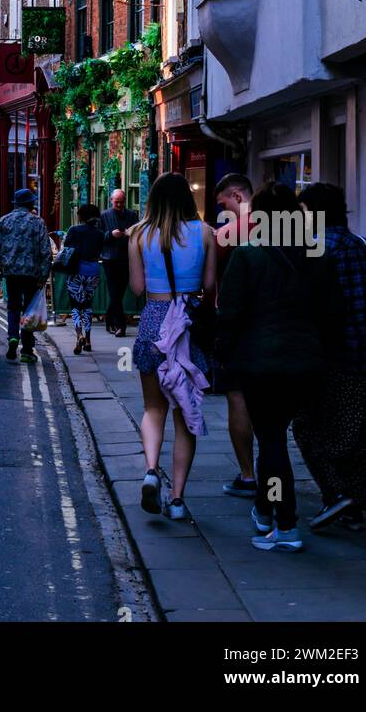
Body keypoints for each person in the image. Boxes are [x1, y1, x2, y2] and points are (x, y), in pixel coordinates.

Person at [215, 181, 340, 553]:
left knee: (271, 442)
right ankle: (264, 510)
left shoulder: (248, 255)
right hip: (307, 365)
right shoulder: (316, 254)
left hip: (261, 365)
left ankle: (284, 523)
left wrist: (223, 354)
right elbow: (333, 313)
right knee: (275, 439)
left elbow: (230, 314)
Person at [293, 183, 366, 534]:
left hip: (331, 356)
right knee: (362, 436)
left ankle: (336, 493)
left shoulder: (317, 248)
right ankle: (354, 507)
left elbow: (309, 305)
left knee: (308, 426)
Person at [129, 172, 217, 520]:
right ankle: (178, 499)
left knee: (154, 409)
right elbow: (209, 285)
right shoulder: (206, 233)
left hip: (154, 321)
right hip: (188, 327)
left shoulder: (138, 234)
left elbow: (137, 288)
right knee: (185, 415)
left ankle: (151, 470)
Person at [213, 172, 257, 501]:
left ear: (237, 197)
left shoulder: (229, 232)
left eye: (223, 203)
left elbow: (210, 278)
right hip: (282, 327)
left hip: (240, 328)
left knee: (238, 396)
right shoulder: (289, 230)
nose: (221, 210)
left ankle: (248, 474)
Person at [0, 188, 52, 365]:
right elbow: (46, 251)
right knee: (29, 311)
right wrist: (44, 275)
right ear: (30, 203)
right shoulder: (37, 222)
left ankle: (12, 338)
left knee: (13, 307)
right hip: (31, 273)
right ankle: (27, 349)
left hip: (11, 272)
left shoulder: (4, 221)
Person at [58, 204, 104, 354]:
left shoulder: (74, 230)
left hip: (76, 271)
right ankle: (89, 341)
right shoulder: (99, 233)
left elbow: (66, 248)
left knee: (76, 306)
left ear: (82, 216)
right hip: (93, 271)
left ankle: (79, 336)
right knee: (88, 305)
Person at [99, 188, 138, 336]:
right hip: (110, 259)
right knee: (114, 292)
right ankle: (121, 325)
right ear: (111, 201)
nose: (120, 205)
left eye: (122, 202)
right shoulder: (104, 215)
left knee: (118, 294)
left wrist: (130, 233)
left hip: (126, 258)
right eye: (117, 203)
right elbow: (99, 236)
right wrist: (110, 234)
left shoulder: (132, 215)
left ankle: (110, 322)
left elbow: (137, 234)